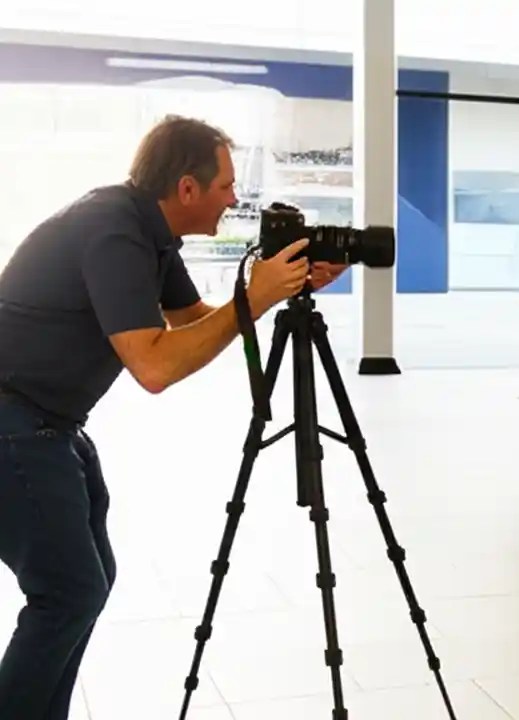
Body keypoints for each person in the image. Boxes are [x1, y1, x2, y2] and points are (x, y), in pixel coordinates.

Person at [0, 114, 347, 719]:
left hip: (49, 424)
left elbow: (192, 318)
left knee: (87, 583)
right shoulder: (113, 231)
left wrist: (276, 290)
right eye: (225, 186)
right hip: (15, 427)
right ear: (187, 188)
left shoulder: (146, 230)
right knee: (68, 592)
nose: (235, 198)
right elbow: (154, 367)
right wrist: (254, 297)